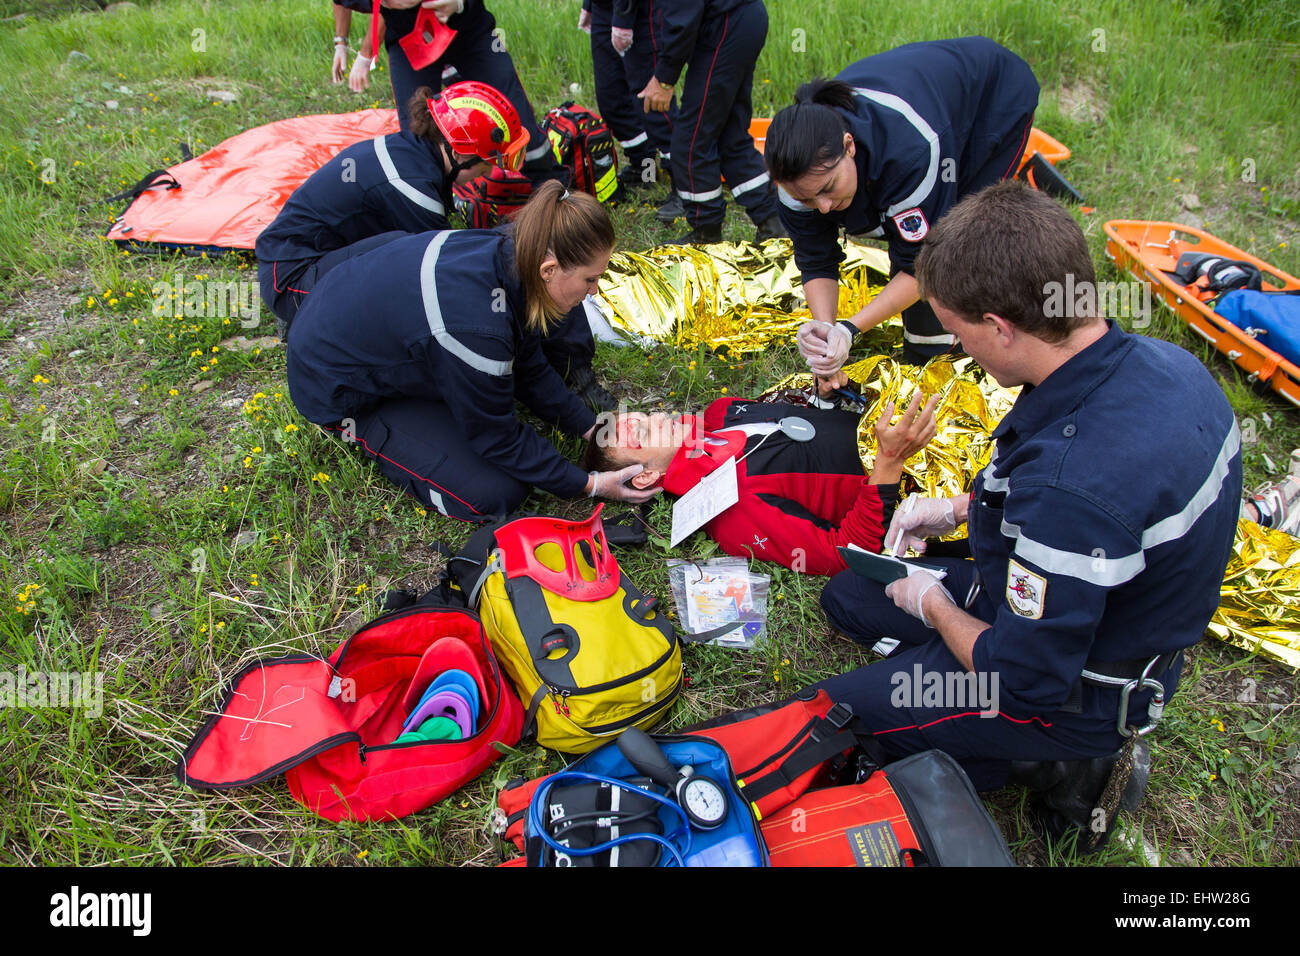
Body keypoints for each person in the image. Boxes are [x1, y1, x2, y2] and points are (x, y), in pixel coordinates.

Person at [809, 182, 1242, 800]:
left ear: (1000, 326)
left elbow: (1017, 679)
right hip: (1079, 609)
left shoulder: (1074, 484)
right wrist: (962, 509)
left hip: (1074, 687)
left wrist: (933, 604)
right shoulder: (1167, 365)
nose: (957, 345)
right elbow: (1085, 515)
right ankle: (982, 740)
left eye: (959, 331)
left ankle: (1043, 763)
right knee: (854, 593)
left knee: (831, 713)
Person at [285, 182, 655, 521]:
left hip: (346, 312)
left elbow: (527, 365)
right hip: (335, 385)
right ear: (549, 269)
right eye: (590, 279)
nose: (593, 292)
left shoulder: (510, 252)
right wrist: (589, 485)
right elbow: (498, 437)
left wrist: (589, 426)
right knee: (495, 493)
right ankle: (374, 428)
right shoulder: (478, 327)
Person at [764, 37, 1040, 371]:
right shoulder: (793, 175)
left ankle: (954, 339)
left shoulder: (912, 154)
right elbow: (816, 258)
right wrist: (826, 333)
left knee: (964, 231)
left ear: (849, 145)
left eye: (828, 189)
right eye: (806, 199)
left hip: (994, 96)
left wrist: (850, 329)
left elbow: (921, 265)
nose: (822, 207)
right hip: (925, 96)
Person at [257, 81, 522, 337]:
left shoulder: (412, 151)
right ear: (461, 154)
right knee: (412, 262)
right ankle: (311, 317)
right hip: (291, 283)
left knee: (404, 252)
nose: (485, 173)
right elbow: (448, 269)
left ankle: (318, 306)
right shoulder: (414, 190)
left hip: (296, 258)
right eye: (486, 165)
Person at [581, 392, 938, 574]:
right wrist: (890, 463)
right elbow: (846, 553)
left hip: (911, 416)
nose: (659, 416)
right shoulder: (734, 509)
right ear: (645, 477)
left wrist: (824, 394)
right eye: (644, 432)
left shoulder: (721, 411)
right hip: (926, 474)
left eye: (643, 416)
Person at [360, 0, 567, 187]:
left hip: (470, 29)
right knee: (416, 136)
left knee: (515, 114)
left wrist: (461, 3)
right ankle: (431, 202)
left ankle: (554, 191)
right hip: (409, 40)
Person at [637, 0, 784, 244]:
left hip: (725, 25)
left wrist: (664, 79)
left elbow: (681, 18)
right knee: (731, 136)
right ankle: (773, 221)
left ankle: (706, 232)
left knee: (692, 139)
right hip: (743, 17)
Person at [579, 0, 683, 222]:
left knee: (651, 103)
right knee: (611, 100)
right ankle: (644, 167)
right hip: (605, 11)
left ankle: (684, 185)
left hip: (639, 12)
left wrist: (624, 16)